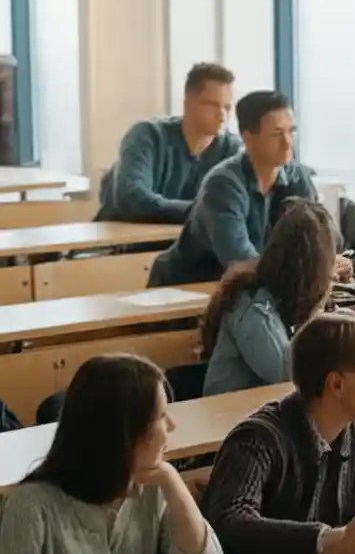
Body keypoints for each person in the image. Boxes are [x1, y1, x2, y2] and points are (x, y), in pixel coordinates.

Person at [0, 355, 225, 554]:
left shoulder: (154, 488)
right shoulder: (31, 506)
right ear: (124, 431)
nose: (172, 427)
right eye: (161, 416)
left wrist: (172, 479)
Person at [199, 313, 355, 554]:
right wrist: (331, 539)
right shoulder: (257, 440)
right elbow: (227, 524)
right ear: (336, 385)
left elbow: (333, 528)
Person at [148, 90, 325, 287]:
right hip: (188, 289)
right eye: (276, 134)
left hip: (247, 291)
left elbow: (316, 240)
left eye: (291, 131)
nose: (287, 143)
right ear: (248, 138)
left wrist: (328, 264)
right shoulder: (223, 185)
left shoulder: (298, 178)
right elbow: (241, 261)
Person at [200, 199, 339, 397]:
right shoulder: (251, 307)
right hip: (228, 418)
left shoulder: (281, 299)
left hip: (264, 412)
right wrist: (323, 324)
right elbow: (286, 374)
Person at [95, 63, 241, 224]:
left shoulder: (232, 149)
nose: (222, 115)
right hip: (122, 244)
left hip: (183, 244)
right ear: (188, 104)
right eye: (212, 105)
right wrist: (205, 212)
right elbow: (131, 200)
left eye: (227, 107)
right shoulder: (148, 135)